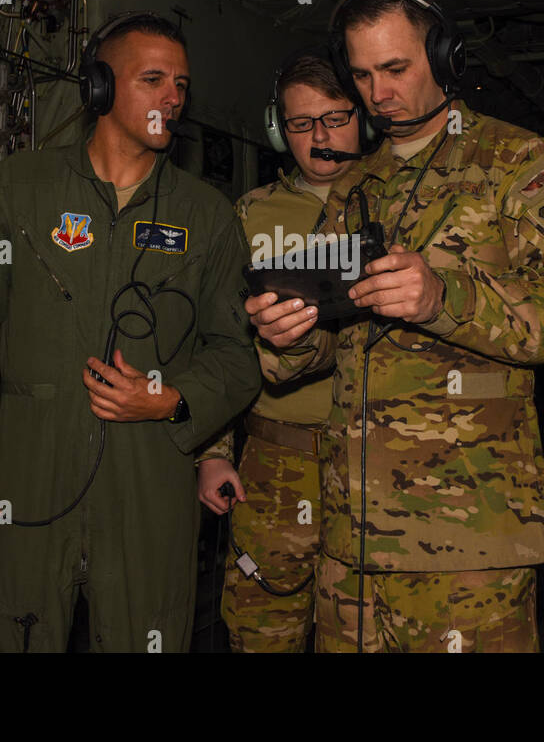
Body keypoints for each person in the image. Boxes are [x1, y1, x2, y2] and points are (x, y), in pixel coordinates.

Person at [245, 0, 544, 652]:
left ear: (444, 56)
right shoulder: (354, 186)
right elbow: (332, 342)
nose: (379, 94)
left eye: (396, 68)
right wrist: (291, 337)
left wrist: (448, 297)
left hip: (468, 546)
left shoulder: (515, 162)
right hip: (350, 546)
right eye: (362, 75)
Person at [0, 12, 261, 653]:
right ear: (100, 89)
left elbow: (235, 353)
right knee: (11, 632)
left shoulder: (209, 215)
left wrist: (171, 398)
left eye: (182, 85)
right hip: (26, 471)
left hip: (150, 479)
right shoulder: (19, 189)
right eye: (154, 79)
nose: (173, 97)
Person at [198, 49, 363, 652]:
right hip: (273, 463)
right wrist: (214, 452)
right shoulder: (250, 216)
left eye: (336, 118)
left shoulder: (401, 204)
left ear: (363, 116)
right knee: (261, 629)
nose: (320, 137)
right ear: (279, 131)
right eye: (301, 124)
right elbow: (218, 340)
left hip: (378, 465)